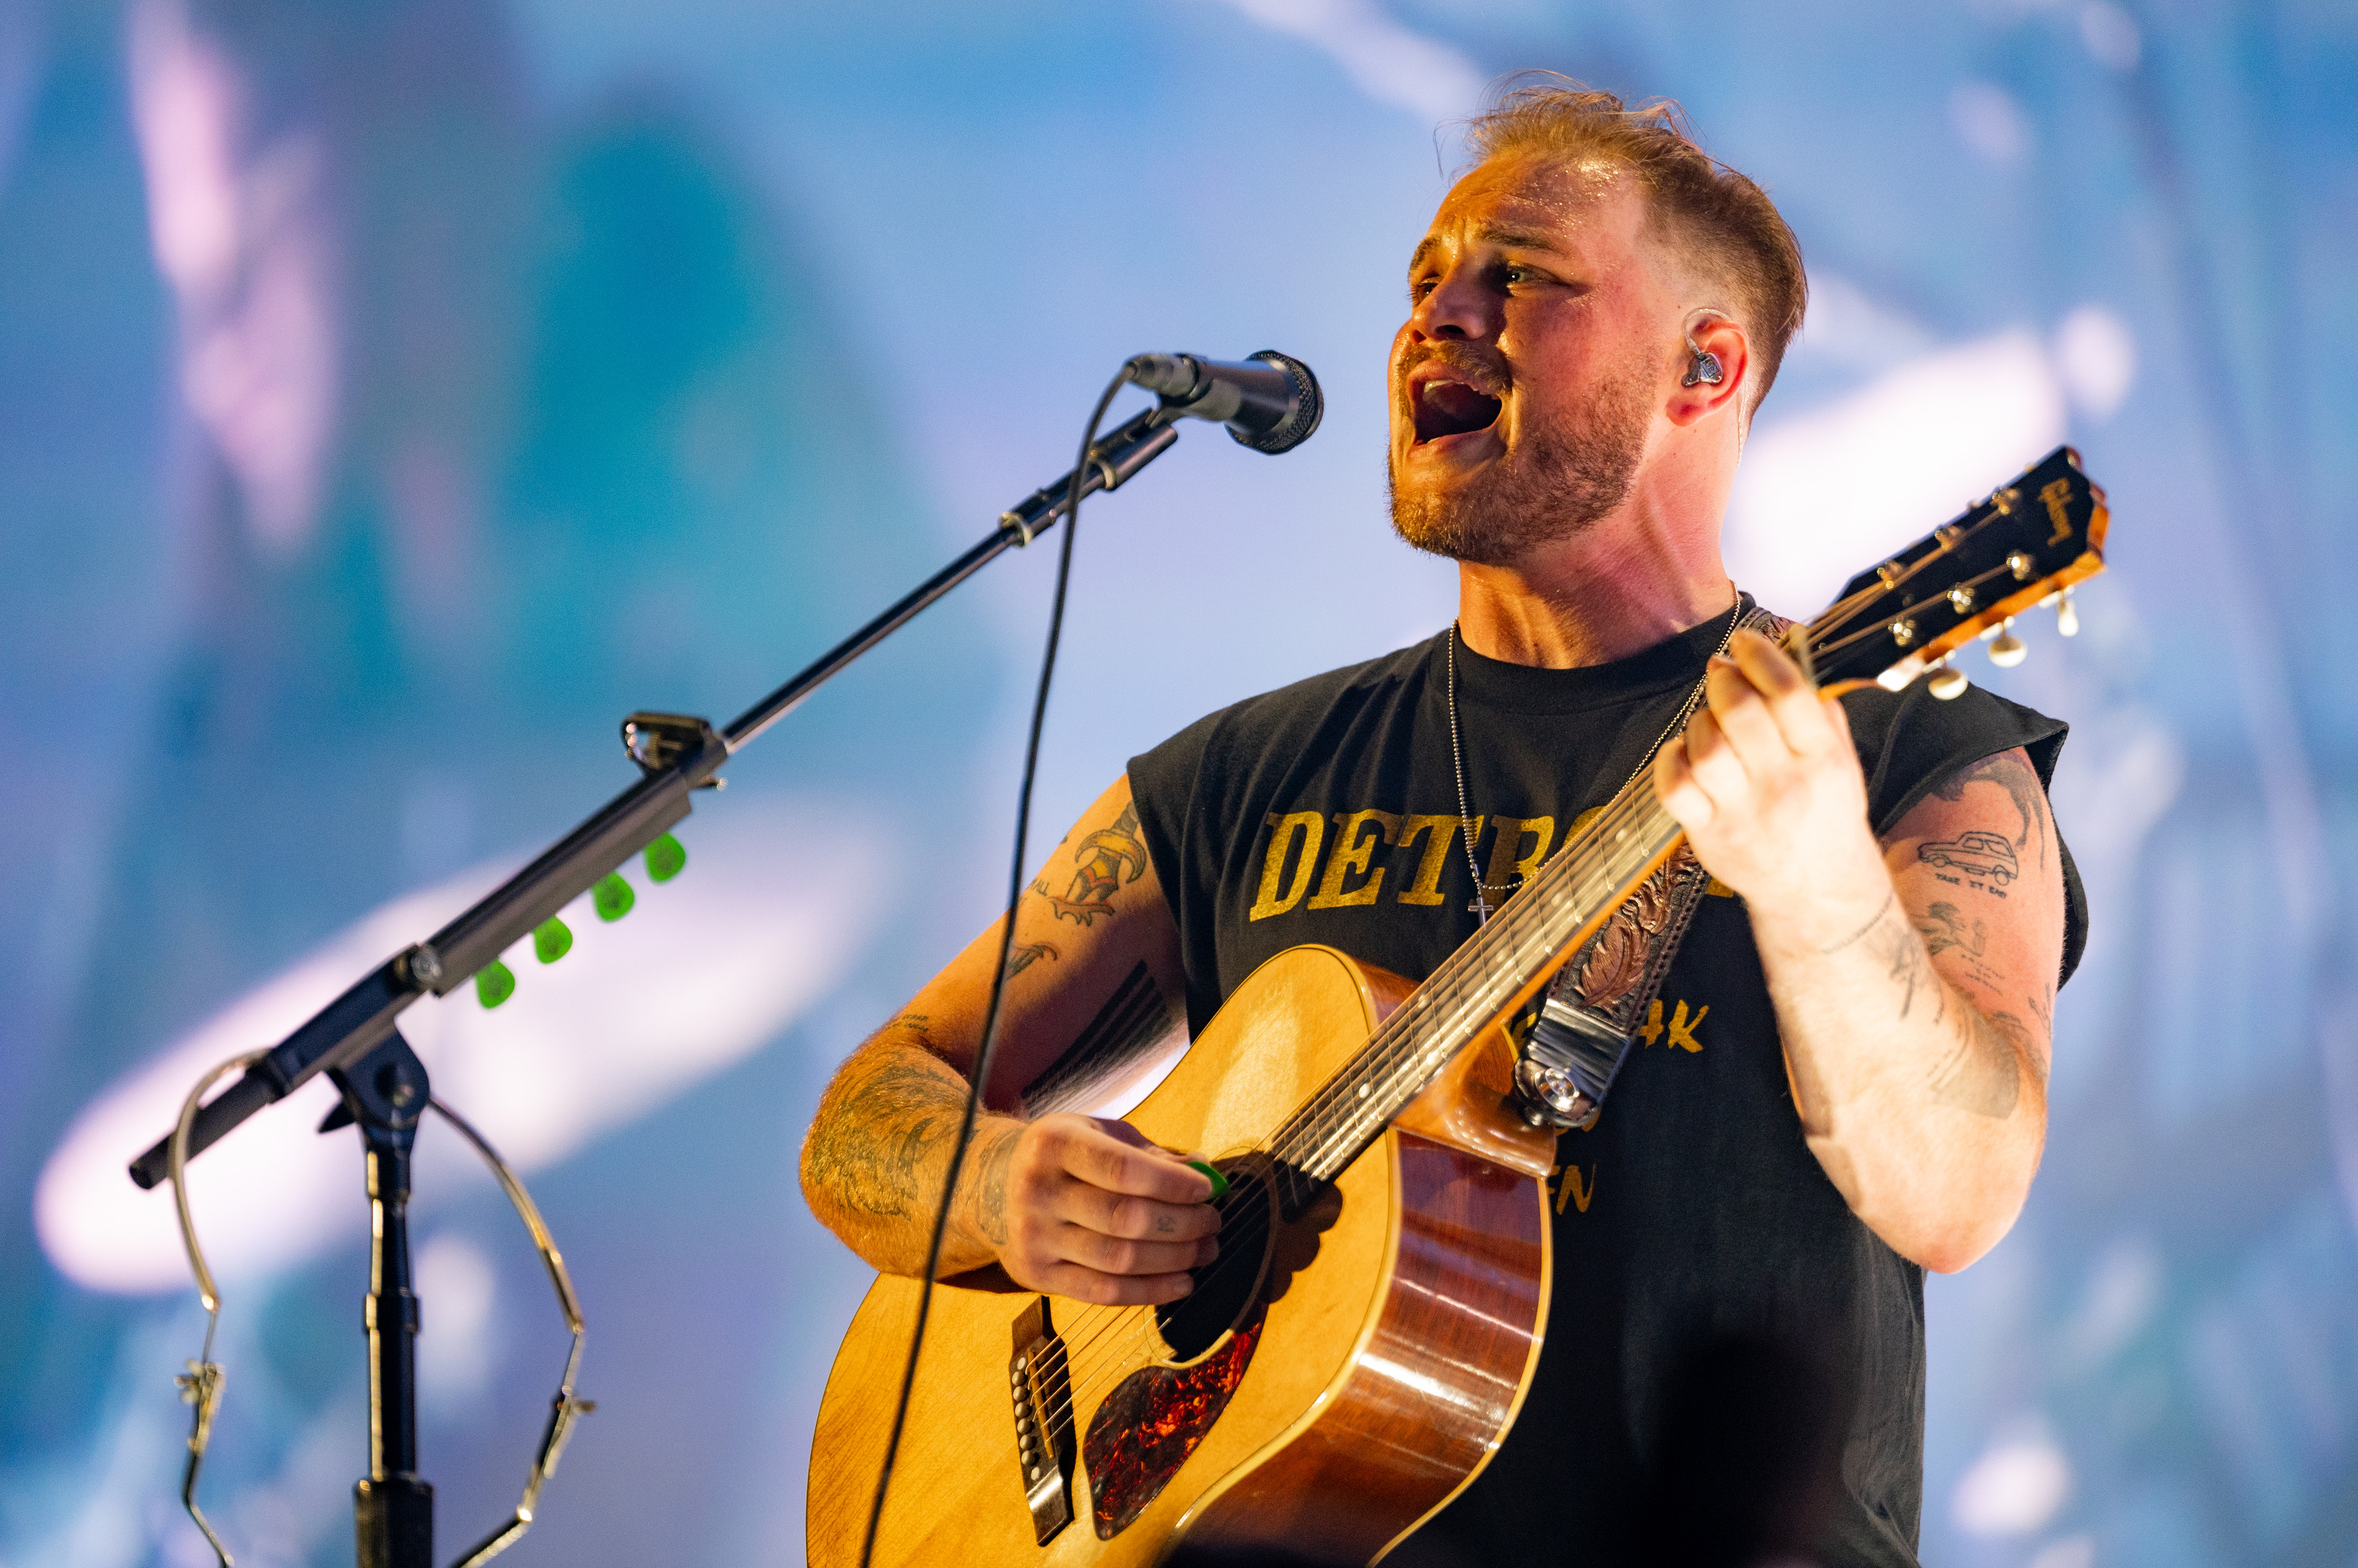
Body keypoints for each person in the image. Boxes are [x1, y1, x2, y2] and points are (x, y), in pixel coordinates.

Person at [799, 79, 2084, 1568]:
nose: (1436, 315)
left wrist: (1816, 888)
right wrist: (1009, 1189)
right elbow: (866, 1114)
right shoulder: (1243, 775)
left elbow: (1957, 1189)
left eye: (1519, 276)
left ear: (1703, 364)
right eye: (1424, 279)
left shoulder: (1902, 756)